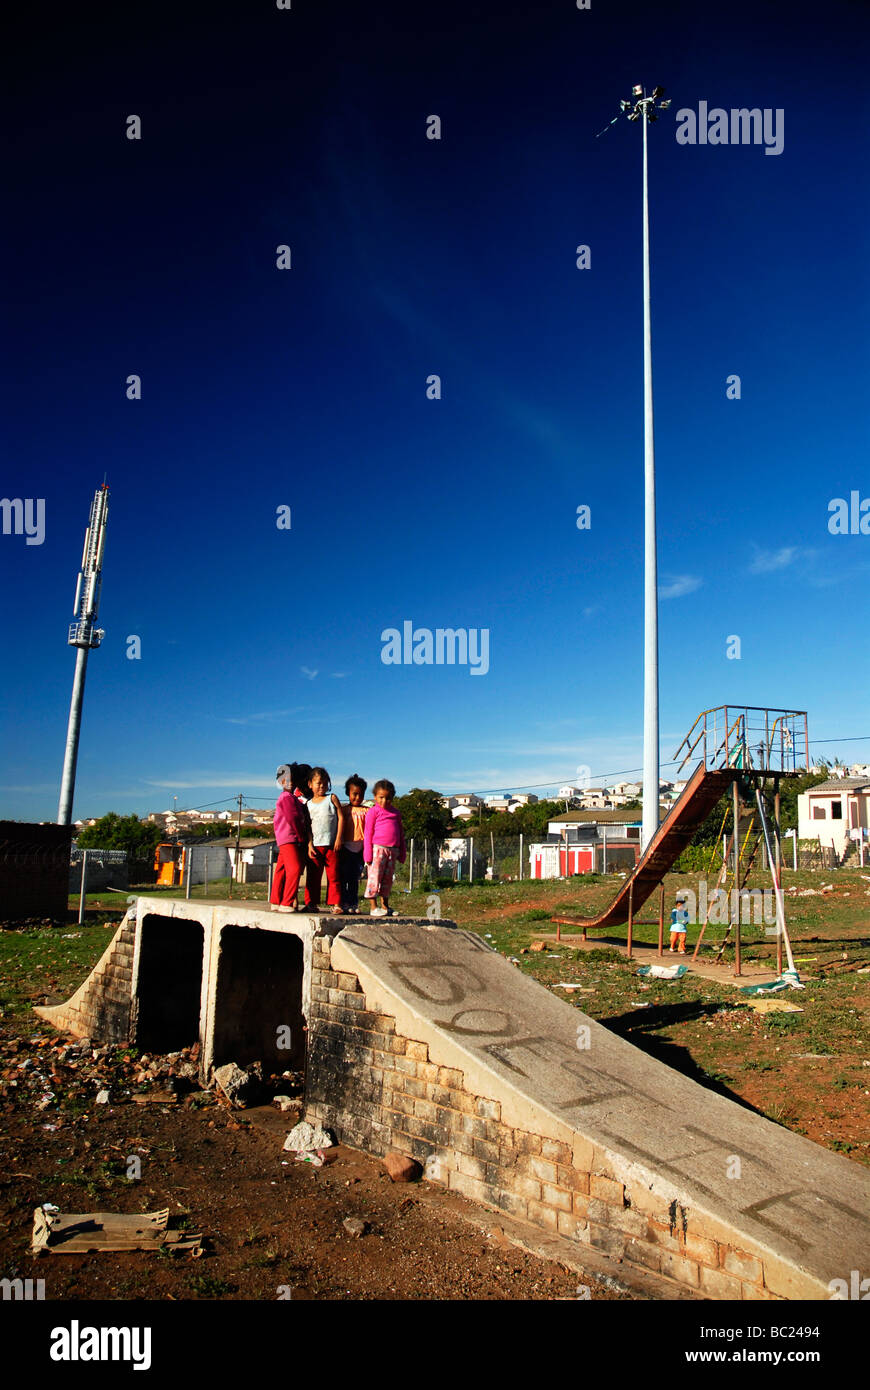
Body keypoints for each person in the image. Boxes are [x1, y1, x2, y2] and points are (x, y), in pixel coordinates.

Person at [270, 763, 311, 913]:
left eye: (292, 779)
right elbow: (293, 819)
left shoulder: (288, 797)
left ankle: (275, 900)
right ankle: (286, 902)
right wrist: (301, 836)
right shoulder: (287, 798)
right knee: (294, 869)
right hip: (290, 838)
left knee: (281, 869)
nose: (290, 782)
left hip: (284, 838)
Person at [363, 779, 406, 917]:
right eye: (381, 797)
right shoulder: (373, 812)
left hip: (392, 850)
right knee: (375, 878)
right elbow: (368, 833)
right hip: (378, 849)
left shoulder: (396, 813)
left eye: (388, 798)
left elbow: (400, 833)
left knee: (387, 879)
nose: (384, 801)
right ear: (375, 797)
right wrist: (367, 854)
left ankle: (385, 906)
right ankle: (373, 907)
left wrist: (402, 852)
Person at [304, 767, 344, 914]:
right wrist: (309, 844)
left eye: (325, 783)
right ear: (310, 784)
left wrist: (339, 837)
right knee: (313, 877)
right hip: (315, 846)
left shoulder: (331, 798)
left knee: (334, 876)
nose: (322, 786)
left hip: (332, 845)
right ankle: (311, 904)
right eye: (318, 783)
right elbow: (307, 826)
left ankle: (336, 904)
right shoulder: (308, 804)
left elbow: (341, 817)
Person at [338, 774, 368, 913]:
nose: (357, 797)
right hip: (346, 848)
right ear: (348, 793)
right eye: (354, 794)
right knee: (344, 877)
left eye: (360, 795)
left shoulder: (367, 811)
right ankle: (344, 902)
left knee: (355, 878)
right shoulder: (343, 810)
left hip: (360, 849)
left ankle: (353, 903)